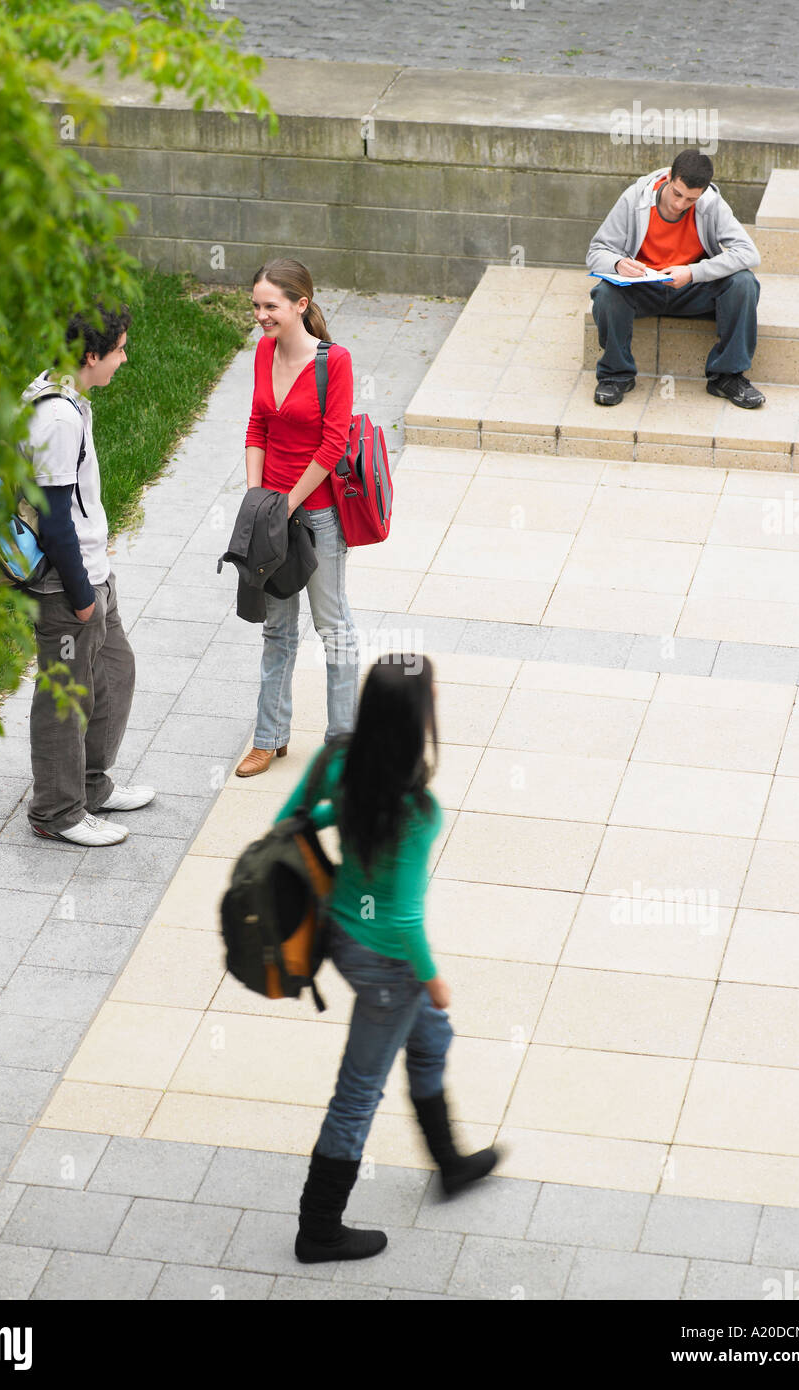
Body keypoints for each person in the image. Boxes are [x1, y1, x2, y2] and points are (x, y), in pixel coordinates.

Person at [273, 656, 499, 1264]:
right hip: (388, 968)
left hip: (342, 938)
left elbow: (287, 821)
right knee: (357, 1094)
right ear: (416, 719)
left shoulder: (340, 760)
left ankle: (449, 1162)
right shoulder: (416, 812)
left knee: (431, 1037)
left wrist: (330, 814)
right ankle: (318, 1230)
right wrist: (433, 977)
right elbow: (401, 917)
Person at [22, 304, 155, 846]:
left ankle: (90, 785)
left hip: (93, 570)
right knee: (65, 698)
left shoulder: (70, 396)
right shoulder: (58, 417)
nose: (125, 358)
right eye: (119, 349)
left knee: (114, 672)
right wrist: (81, 598)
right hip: (67, 584)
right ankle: (56, 811)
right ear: (91, 356)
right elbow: (53, 521)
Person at [235, 259, 360, 777]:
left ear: (300, 305)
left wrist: (287, 503)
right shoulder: (264, 352)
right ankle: (269, 738)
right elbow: (257, 425)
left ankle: (341, 740)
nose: (261, 315)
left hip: (318, 515)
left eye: (271, 306)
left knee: (333, 626)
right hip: (271, 512)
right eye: (257, 305)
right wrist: (256, 499)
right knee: (277, 631)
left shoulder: (336, 362)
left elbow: (333, 445)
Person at [587, 148, 765, 409]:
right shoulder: (634, 198)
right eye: (677, 193)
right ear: (669, 177)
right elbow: (596, 252)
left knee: (744, 283)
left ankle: (727, 377)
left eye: (691, 199)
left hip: (692, 289)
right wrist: (617, 263)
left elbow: (749, 254)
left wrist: (694, 272)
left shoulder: (712, 204)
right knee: (605, 293)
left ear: (702, 192)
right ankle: (616, 375)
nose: (680, 204)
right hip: (643, 289)